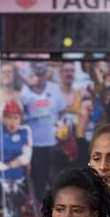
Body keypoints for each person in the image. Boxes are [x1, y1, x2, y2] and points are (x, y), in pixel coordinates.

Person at [19, 64, 67, 205]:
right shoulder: (25, 92)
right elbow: (19, 116)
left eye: (42, 74)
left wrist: (62, 129)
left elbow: (62, 111)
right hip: (35, 142)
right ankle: (41, 205)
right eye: (37, 75)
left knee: (54, 176)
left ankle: (56, 204)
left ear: (47, 74)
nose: (40, 78)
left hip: (52, 141)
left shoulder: (54, 88)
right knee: (38, 176)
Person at [0, 100, 33, 217]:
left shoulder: (25, 131)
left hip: (17, 169)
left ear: (20, 118)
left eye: (15, 117)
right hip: (0, 168)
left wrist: (12, 164)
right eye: (8, 117)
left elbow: (26, 156)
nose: (12, 121)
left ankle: (16, 206)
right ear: (3, 119)